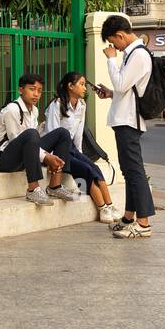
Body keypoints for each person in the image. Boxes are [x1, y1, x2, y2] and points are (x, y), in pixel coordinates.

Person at [101, 16, 155, 239]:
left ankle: (143, 223)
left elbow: (122, 83)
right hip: (125, 118)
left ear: (120, 35)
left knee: (134, 171)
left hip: (129, 121)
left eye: (113, 42)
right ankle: (128, 217)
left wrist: (111, 60)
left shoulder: (139, 54)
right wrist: (111, 93)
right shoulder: (133, 53)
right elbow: (126, 89)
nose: (113, 47)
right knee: (129, 171)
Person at [0, 73, 78, 206]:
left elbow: (33, 142)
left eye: (39, 90)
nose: (36, 94)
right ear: (21, 90)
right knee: (31, 134)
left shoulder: (35, 110)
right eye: (32, 89)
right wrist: (47, 157)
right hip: (3, 159)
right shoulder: (12, 110)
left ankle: (55, 186)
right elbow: (18, 140)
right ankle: (33, 189)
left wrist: (48, 155)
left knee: (62, 133)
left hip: (25, 154)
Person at [45, 71, 120, 223]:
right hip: (58, 150)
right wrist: (53, 158)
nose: (84, 88)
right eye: (81, 84)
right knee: (85, 170)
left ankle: (110, 205)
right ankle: (102, 208)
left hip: (72, 148)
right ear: (70, 86)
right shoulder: (57, 104)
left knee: (94, 168)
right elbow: (52, 131)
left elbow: (78, 133)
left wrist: (80, 154)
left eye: (84, 84)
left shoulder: (82, 106)